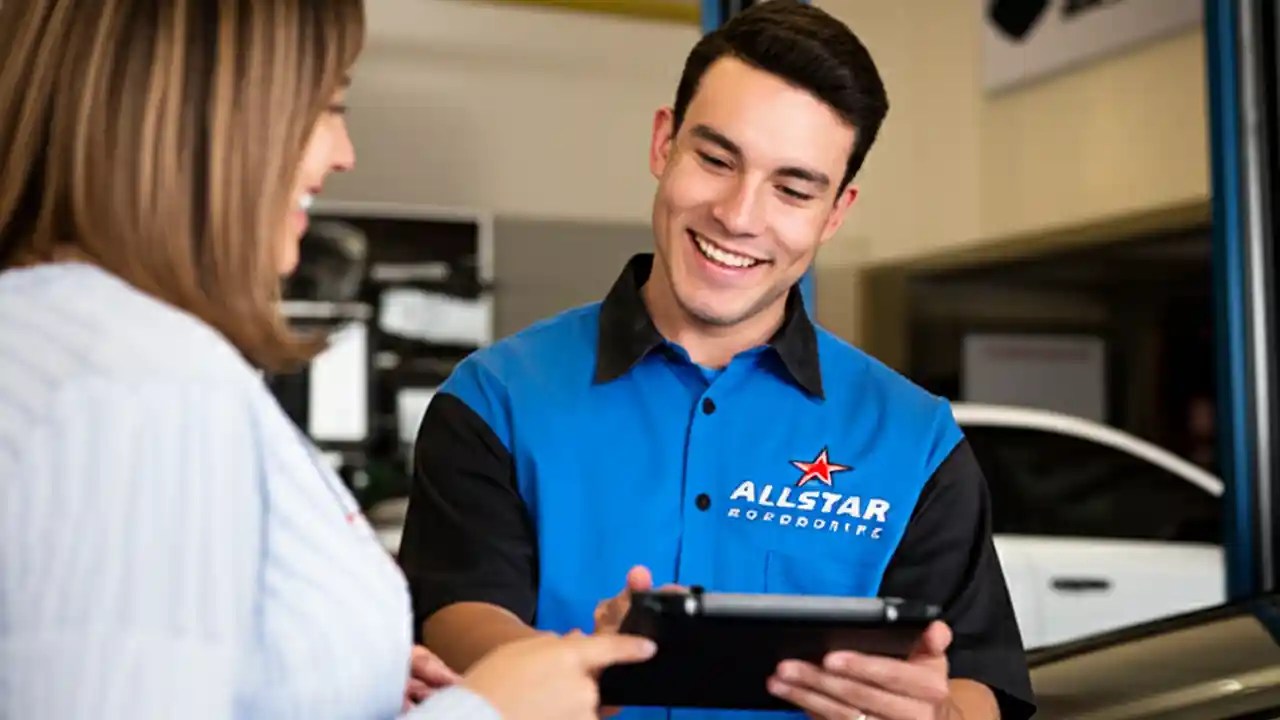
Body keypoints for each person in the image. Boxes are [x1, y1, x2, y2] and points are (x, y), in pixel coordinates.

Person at [0, 1, 656, 719]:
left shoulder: (55, 337)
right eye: (326, 107)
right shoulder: (140, 381)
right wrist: (492, 712)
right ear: (208, 120)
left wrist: (335, 670)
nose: (343, 152)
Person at [399, 2, 1036, 719]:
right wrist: (580, 670)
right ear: (663, 143)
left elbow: (982, 681)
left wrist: (933, 713)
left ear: (834, 213)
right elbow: (454, 613)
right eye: (715, 159)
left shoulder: (917, 443)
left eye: (792, 190)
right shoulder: (495, 401)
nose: (738, 214)